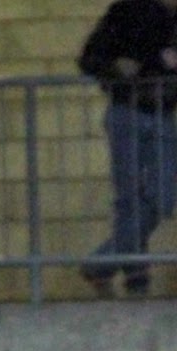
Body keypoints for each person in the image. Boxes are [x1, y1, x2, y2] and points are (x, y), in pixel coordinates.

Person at [78, 0, 177, 299]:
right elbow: (89, 59)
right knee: (130, 199)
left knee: (163, 197)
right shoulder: (127, 11)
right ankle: (136, 278)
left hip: (162, 114)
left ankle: (101, 264)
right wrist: (117, 68)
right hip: (127, 111)